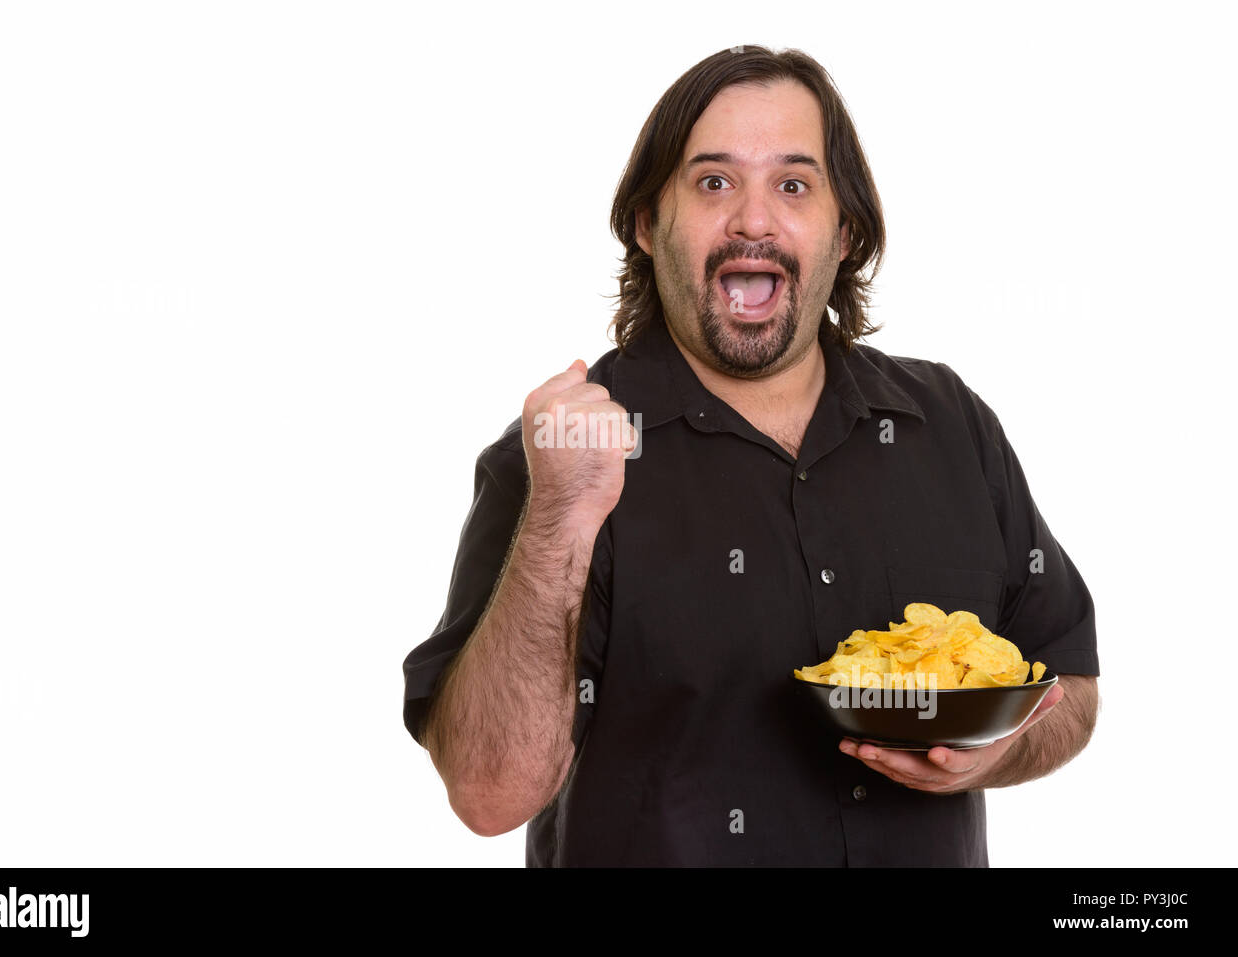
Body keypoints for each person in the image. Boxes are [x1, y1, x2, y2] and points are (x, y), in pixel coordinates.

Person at [401, 45, 1099, 866]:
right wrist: (561, 516)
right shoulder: (560, 453)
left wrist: (995, 752)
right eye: (713, 182)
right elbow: (488, 793)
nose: (754, 221)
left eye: (794, 185)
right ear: (644, 223)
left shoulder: (948, 424)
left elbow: (1070, 689)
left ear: (846, 233)